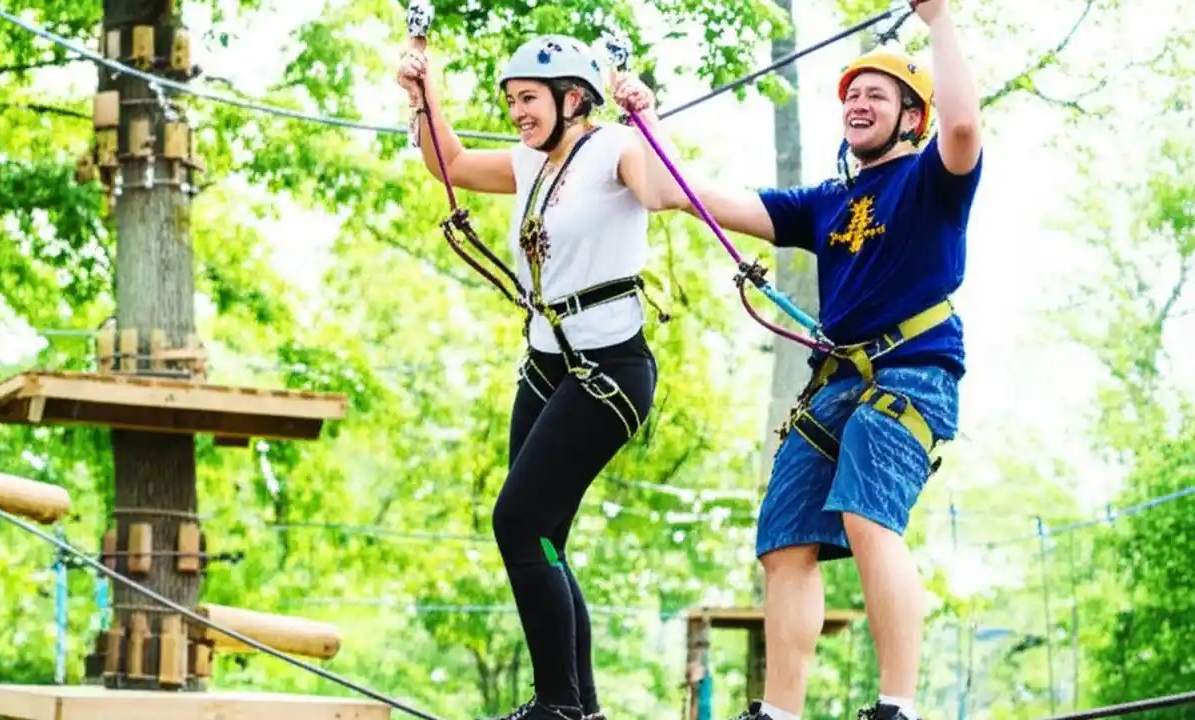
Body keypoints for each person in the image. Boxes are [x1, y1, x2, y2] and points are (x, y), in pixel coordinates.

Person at [613, 1, 983, 718]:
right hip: (834, 384)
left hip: (911, 374)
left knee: (867, 516)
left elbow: (964, 126)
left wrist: (939, 19)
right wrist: (645, 123)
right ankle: (780, 711)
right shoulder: (824, 205)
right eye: (850, 95)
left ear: (913, 118)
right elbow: (680, 196)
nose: (857, 102)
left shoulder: (933, 180)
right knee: (783, 540)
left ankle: (897, 705)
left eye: (877, 93)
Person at [397, 33, 687, 720]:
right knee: (543, 535)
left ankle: (558, 706)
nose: (518, 112)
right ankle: (579, 708)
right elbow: (453, 164)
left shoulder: (614, 149)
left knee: (519, 523)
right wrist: (423, 96)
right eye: (512, 100)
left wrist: (648, 118)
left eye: (528, 99)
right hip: (546, 362)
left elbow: (666, 192)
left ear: (573, 98)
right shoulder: (531, 162)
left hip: (608, 369)